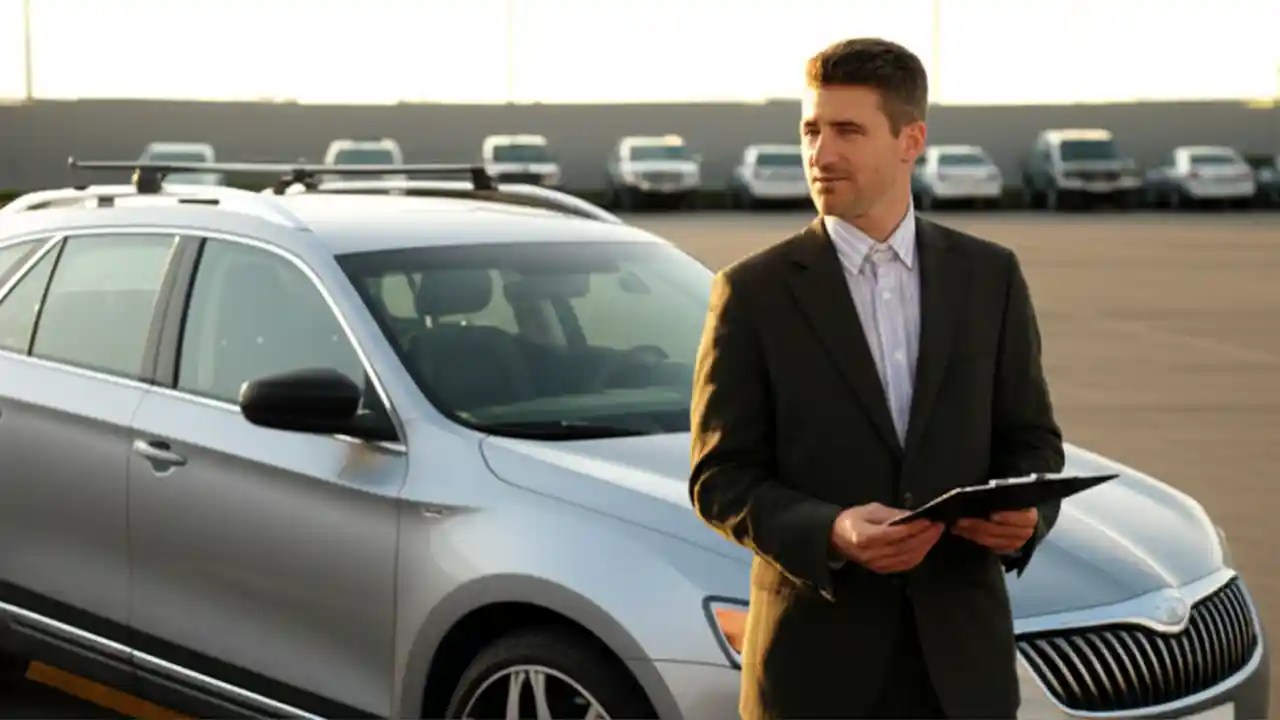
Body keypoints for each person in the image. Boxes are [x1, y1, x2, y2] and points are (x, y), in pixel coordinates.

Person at [688, 37, 1065, 719]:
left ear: (909, 139)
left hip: (962, 671)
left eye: (847, 131)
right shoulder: (752, 292)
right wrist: (831, 531)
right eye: (811, 130)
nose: (820, 155)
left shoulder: (990, 277)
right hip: (815, 674)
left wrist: (1029, 517)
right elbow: (719, 479)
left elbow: (1031, 440)